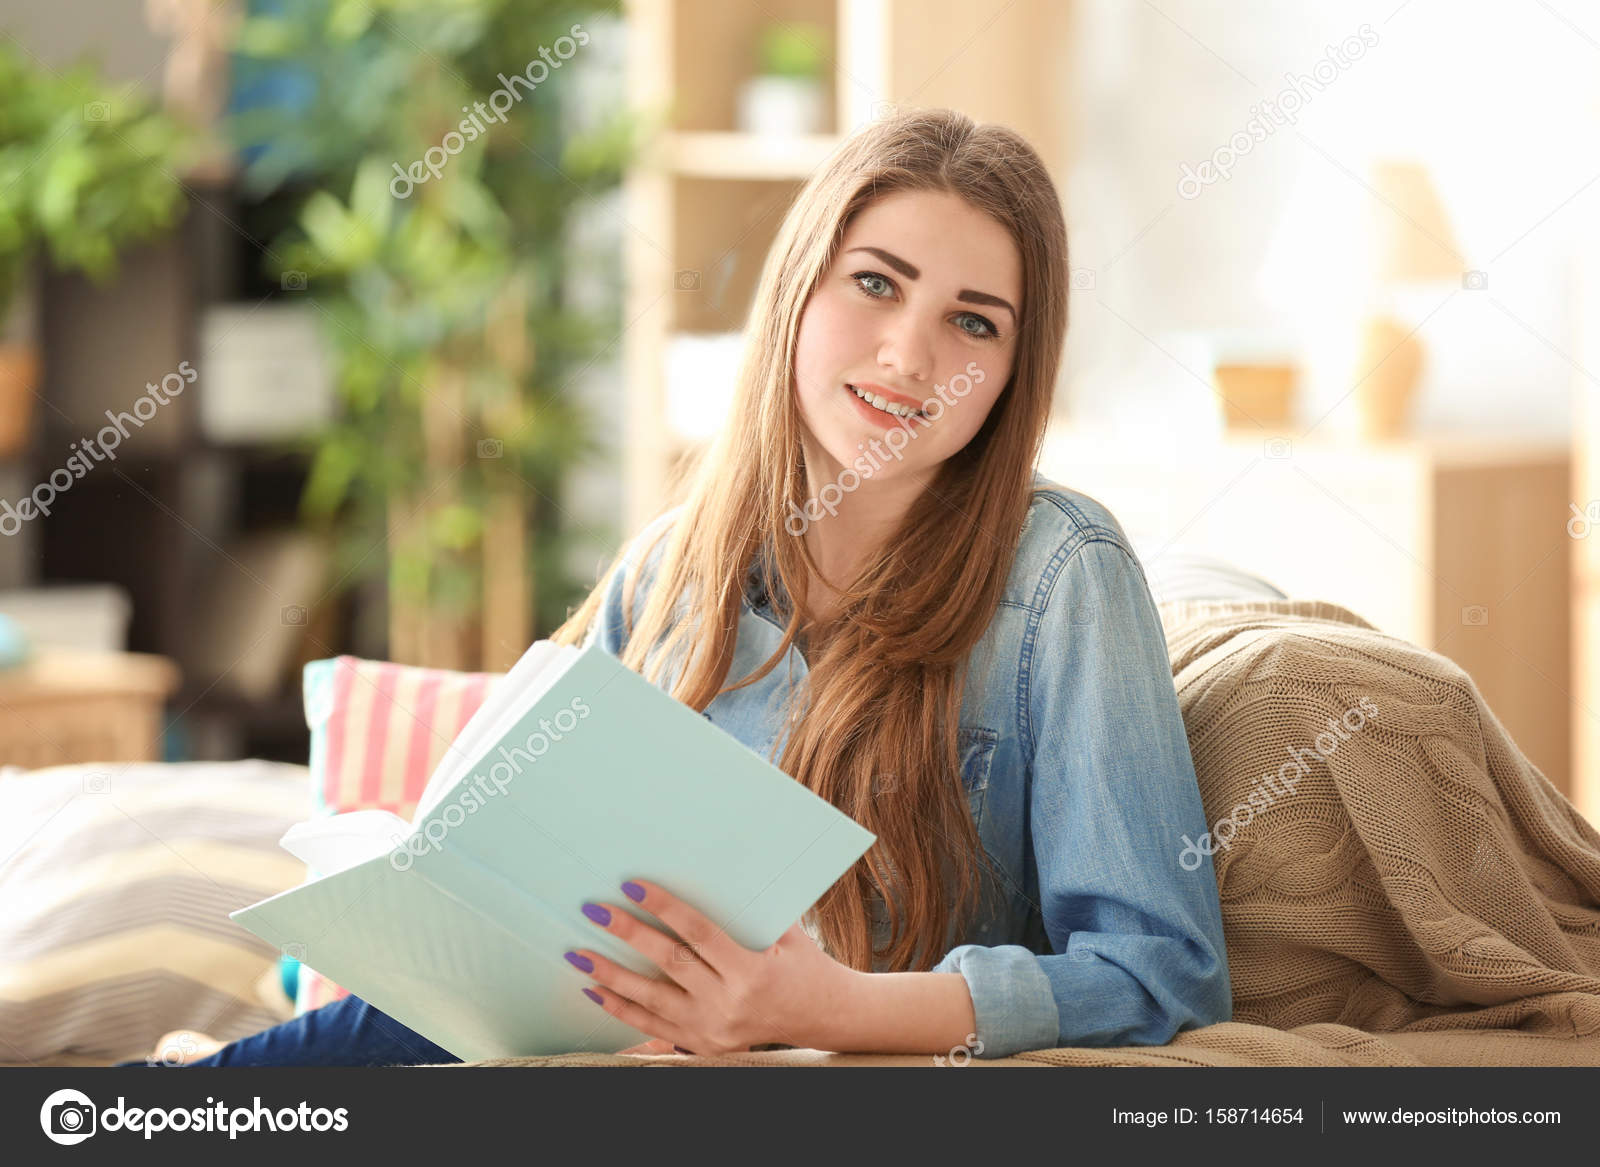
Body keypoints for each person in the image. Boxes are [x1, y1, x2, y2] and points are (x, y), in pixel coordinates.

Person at [131, 106, 1230, 1067]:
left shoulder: (1063, 579)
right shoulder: (673, 567)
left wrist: (830, 1008)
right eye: (876, 284)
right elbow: (526, 909)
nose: (907, 354)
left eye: (972, 320)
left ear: (1011, 372)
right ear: (800, 289)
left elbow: (1158, 972)